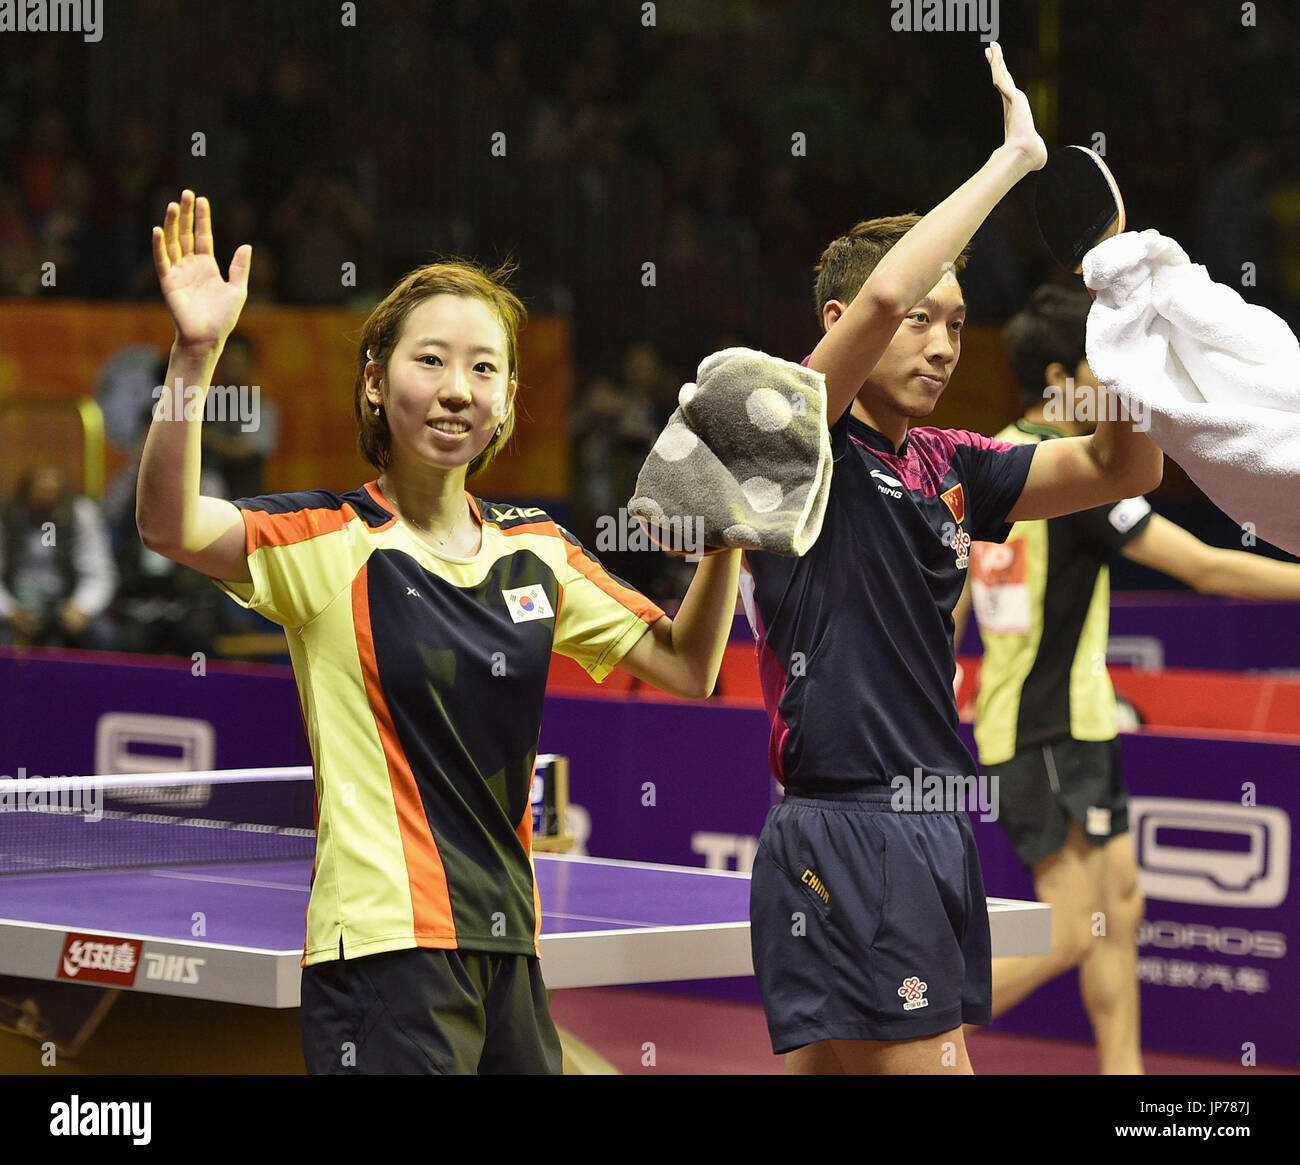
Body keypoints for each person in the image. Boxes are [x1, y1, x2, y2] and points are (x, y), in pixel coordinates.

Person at [136, 190, 741, 1075]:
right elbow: (168, 525)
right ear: (376, 380)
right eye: (431, 360)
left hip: (509, 944)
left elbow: (690, 668)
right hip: (384, 948)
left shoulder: (541, 553)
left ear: (506, 397)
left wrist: (726, 540)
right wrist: (195, 356)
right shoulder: (327, 541)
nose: (460, 388)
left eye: (485, 368)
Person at [739, 43, 1163, 1075]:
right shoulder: (796, 435)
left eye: (958, 326)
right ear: (836, 328)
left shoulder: (956, 465)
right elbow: (884, 293)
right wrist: (1013, 160)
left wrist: (1128, 305)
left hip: (925, 822)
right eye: (923, 320)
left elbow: (1124, 464)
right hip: (849, 826)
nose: (939, 342)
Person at [953, 283, 1300, 1075]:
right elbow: (1208, 568)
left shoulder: (992, 460)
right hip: (1046, 728)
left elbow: (955, 609)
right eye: (1099, 368)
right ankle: (907, 1040)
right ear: (1060, 374)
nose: (1113, 388)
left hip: (1059, 722)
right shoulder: (1072, 477)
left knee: (1122, 910)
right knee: (1076, 926)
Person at [0, 464, 118, 650]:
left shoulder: (80, 515)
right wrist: (10, 612)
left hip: (66, 605)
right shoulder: (5, 517)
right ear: (25, 494)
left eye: (52, 493)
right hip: (15, 605)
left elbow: (98, 572)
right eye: (39, 492)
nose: (45, 498)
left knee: (104, 635)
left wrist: (81, 608)